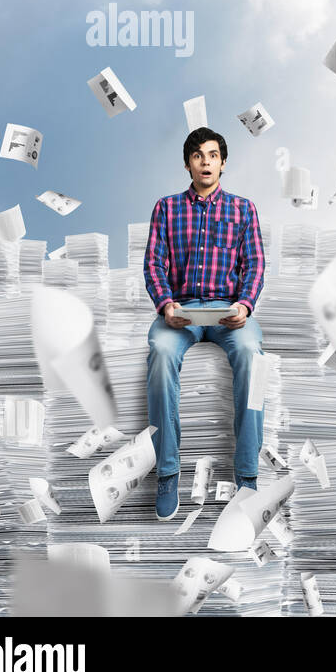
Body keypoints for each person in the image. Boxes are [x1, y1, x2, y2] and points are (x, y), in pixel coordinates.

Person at [143, 127, 266, 520]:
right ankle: (167, 472)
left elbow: (255, 264)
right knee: (161, 352)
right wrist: (166, 305)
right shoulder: (166, 208)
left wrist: (244, 305)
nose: (206, 162)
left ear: (223, 163)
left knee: (253, 356)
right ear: (188, 164)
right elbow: (153, 264)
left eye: (213, 155)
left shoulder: (243, 209)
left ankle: (247, 475)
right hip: (180, 309)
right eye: (198, 155)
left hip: (230, 311)